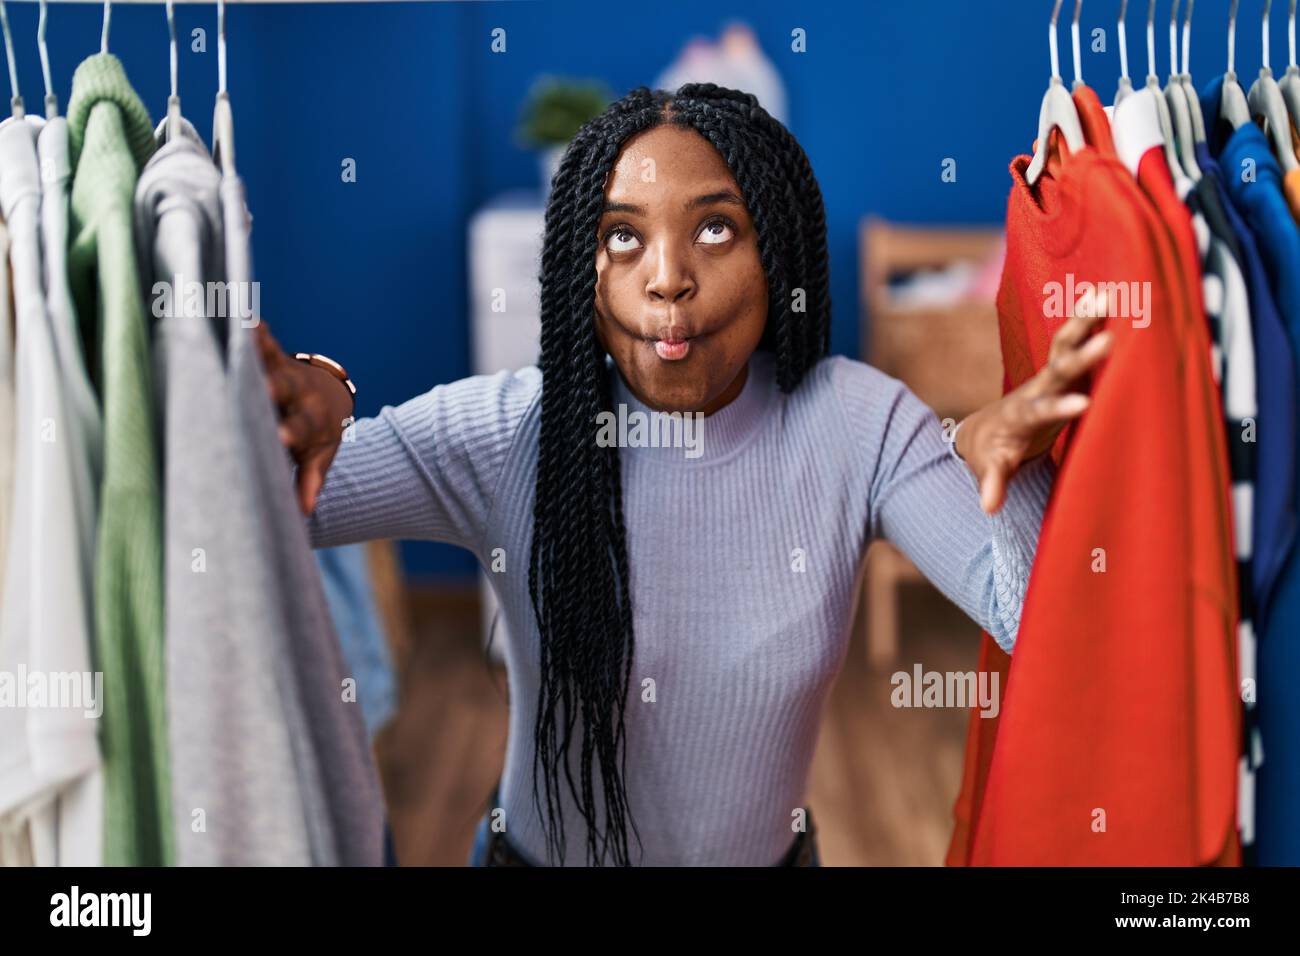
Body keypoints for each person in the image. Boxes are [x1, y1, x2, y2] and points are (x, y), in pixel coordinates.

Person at [256, 84, 1112, 867]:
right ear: (581, 276)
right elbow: (258, 509)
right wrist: (318, 387)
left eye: (714, 229)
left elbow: (1034, 618)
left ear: (776, 253)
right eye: (621, 237)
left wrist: (1016, 471)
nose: (666, 278)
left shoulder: (857, 423)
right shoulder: (508, 430)